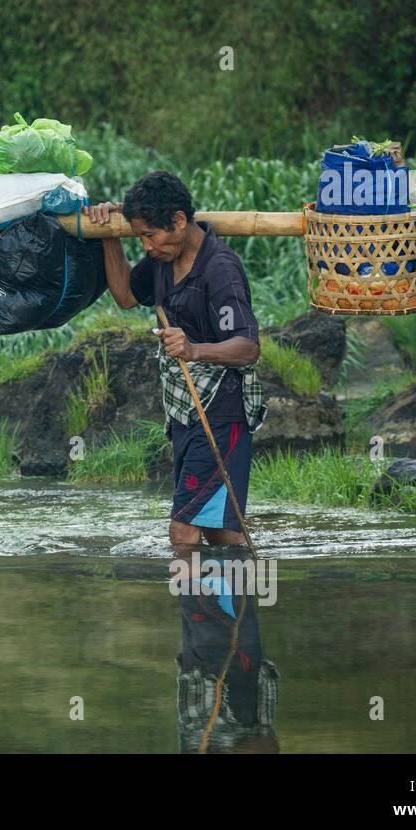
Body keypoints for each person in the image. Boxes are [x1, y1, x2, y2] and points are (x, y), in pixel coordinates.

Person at [84, 171, 265, 548]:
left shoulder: (220, 269)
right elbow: (126, 296)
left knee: (182, 533)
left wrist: (195, 349)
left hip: (221, 414)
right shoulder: (163, 260)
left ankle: (193, 604)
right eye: (140, 237)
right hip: (185, 411)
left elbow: (248, 347)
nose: (147, 246)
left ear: (179, 221)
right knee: (221, 531)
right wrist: (110, 237)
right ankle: (230, 603)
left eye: (151, 235)